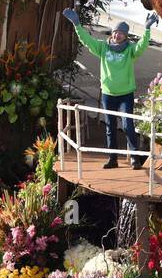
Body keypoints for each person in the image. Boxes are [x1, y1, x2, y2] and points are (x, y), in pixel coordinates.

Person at [63, 9, 156, 169]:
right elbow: (87, 41)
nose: (117, 35)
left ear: (126, 36)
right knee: (110, 127)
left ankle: (135, 158)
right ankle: (112, 158)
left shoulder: (130, 50)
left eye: (121, 33)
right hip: (108, 94)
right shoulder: (102, 47)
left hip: (126, 94)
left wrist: (147, 29)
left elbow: (141, 47)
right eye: (115, 32)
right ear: (111, 33)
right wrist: (77, 24)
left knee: (128, 125)